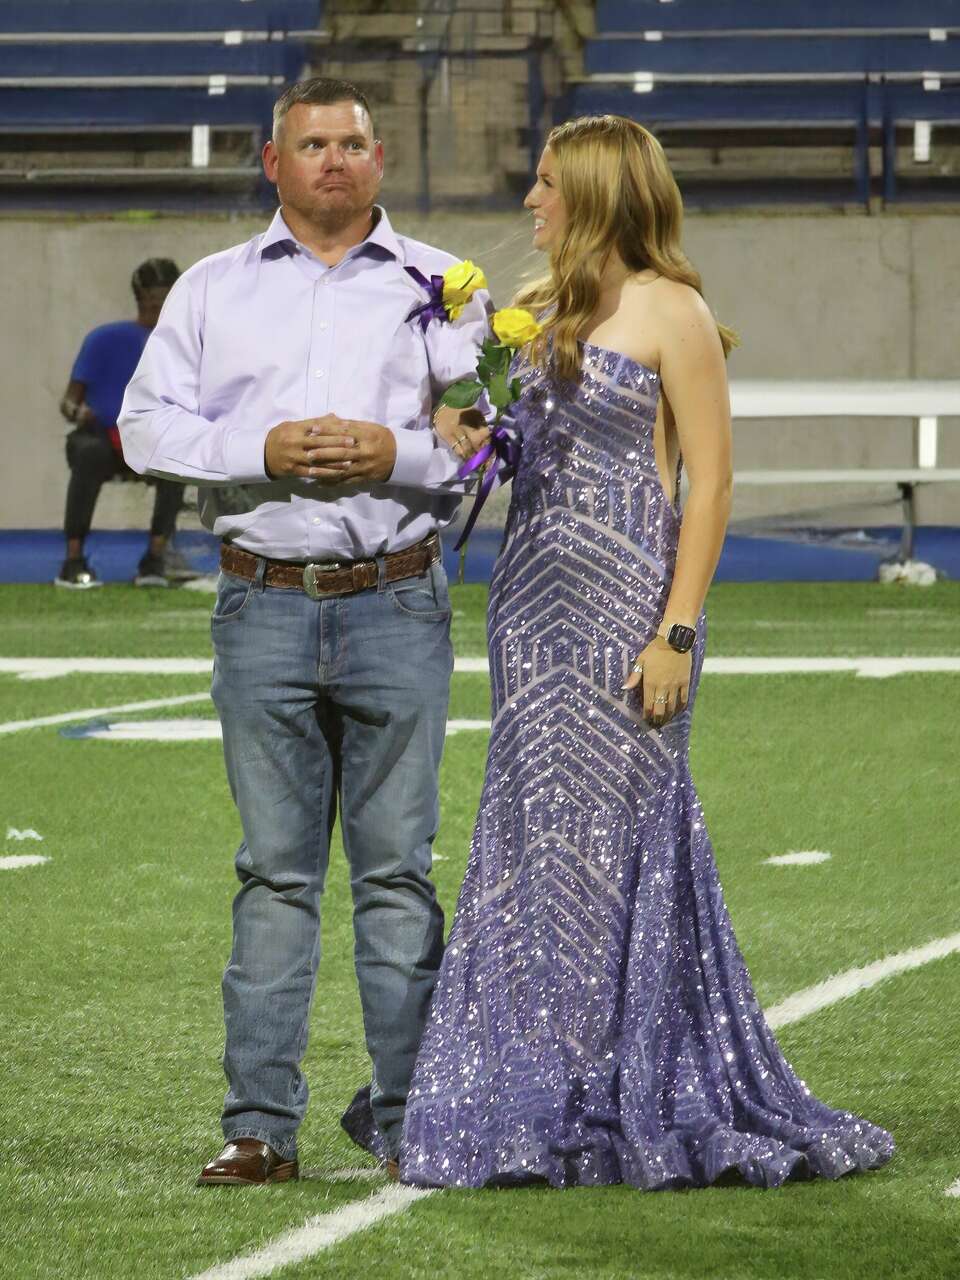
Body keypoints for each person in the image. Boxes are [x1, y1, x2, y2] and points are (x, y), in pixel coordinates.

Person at [395, 116, 895, 1189]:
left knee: (623, 838)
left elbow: (709, 483)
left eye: (544, 184)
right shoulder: (539, 317)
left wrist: (675, 628)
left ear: (593, 191)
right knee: (533, 839)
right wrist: (465, 429)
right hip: (530, 606)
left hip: (633, 610)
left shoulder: (676, 309)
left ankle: (632, 1081)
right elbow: (514, 448)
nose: (530, 201)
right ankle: (540, 1083)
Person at [118, 76, 492, 1186]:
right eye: (311, 142)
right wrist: (261, 450)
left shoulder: (443, 286)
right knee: (274, 874)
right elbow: (143, 427)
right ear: (272, 163)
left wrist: (402, 455)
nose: (333, 159)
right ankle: (259, 1126)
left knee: (396, 876)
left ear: (381, 163)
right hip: (263, 600)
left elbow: (486, 442)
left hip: (397, 597)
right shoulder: (210, 290)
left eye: (352, 143)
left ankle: (409, 1117)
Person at [56, 258, 185, 589]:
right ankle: (73, 560)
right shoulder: (104, 338)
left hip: (155, 437)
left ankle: (154, 560)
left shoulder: (185, 343)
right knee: (89, 453)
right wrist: (77, 412)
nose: (157, 303)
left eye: (164, 295)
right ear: (139, 296)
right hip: (102, 437)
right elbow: (69, 400)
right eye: (152, 295)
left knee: (176, 456)